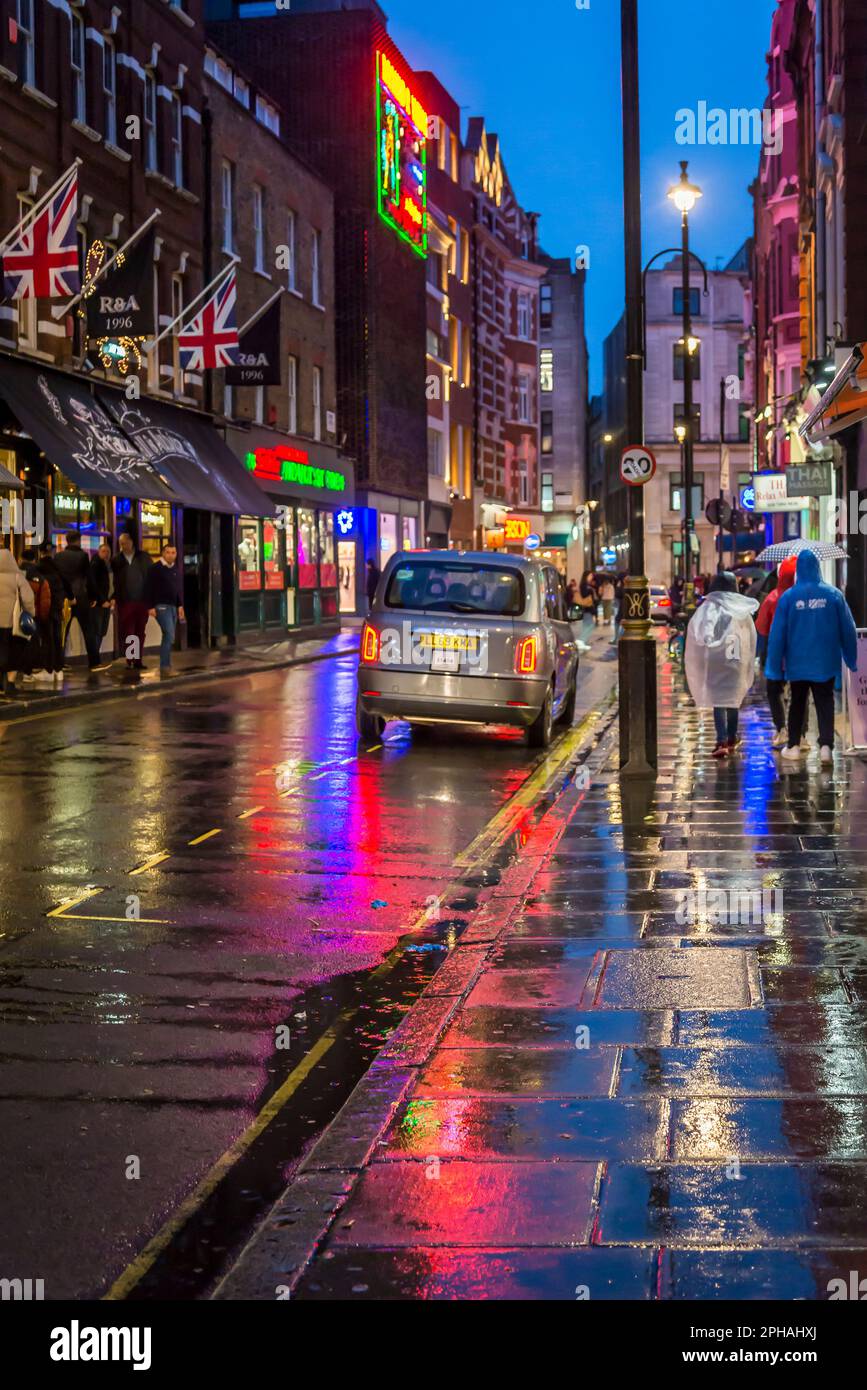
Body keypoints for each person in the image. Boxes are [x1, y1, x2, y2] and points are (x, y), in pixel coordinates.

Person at [766, 548, 858, 764]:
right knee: (825, 702)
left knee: (797, 702)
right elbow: (848, 629)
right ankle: (826, 746)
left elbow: (777, 635)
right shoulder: (834, 595)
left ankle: (794, 746)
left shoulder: (788, 598)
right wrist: (851, 658)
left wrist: (773, 667)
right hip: (825, 661)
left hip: (797, 663)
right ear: (817, 569)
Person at [685, 571, 759, 759]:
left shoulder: (709, 608)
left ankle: (721, 739)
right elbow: (750, 637)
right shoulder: (740, 609)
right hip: (736, 662)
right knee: (733, 701)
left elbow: (702, 632)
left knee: (719, 701)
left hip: (716, 662)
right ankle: (732, 737)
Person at [756, 557, 797, 749]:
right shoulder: (802, 597)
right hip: (800, 652)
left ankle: (782, 729)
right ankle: (801, 734)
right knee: (800, 692)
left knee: (774, 691)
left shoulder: (772, 597)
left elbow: (761, 628)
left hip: (777, 654)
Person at [54, 530, 108, 671]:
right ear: (78, 540)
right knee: (88, 631)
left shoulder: (58, 557)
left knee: (62, 632)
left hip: (65, 598)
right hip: (81, 598)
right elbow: (89, 579)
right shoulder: (83, 556)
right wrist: (94, 597)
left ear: (67, 540)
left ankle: (59, 662)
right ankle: (94, 663)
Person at [112, 531, 153, 669]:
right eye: (120, 544)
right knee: (129, 631)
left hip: (142, 601)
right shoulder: (117, 559)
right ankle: (130, 660)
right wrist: (115, 597)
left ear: (131, 542)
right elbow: (114, 581)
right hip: (125, 601)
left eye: (124, 543)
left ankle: (138, 660)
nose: (122, 546)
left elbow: (151, 577)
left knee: (140, 631)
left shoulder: (143, 557)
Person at [0, 546, 36, 696]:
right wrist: (31, 614)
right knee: (14, 651)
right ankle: (9, 683)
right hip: (13, 623)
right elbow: (28, 599)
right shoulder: (18, 577)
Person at [145, 541, 185, 673]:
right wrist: (150, 606)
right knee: (169, 634)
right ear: (163, 553)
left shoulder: (175, 568)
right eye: (168, 552)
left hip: (173, 605)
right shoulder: (155, 568)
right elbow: (148, 587)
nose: (171, 555)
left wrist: (180, 605)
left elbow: (177, 589)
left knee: (168, 635)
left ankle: (166, 664)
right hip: (161, 605)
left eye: (173, 553)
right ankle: (164, 665)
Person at [36, 542, 65, 681]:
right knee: (57, 638)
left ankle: (48, 670)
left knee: (46, 638)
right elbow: (66, 584)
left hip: (44, 607)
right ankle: (58, 669)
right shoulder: (58, 567)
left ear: (40, 552)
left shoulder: (38, 568)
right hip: (57, 607)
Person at [91, 541, 115, 656]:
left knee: (102, 631)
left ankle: (96, 656)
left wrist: (113, 598)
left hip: (108, 602)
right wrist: (102, 601)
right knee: (97, 630)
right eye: (103, 551)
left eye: (108, 552)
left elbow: (113, 584)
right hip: (99, 604)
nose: (106, 554)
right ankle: (95, 658)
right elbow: (93, 585)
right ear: (98, 552)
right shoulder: (95, 565)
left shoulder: (110, 565)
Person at [577, 570, 597, 649]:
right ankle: (581, 640)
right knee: (590, 625)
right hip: (587, 608)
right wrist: (590, 590)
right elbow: (585, 596)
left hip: (587, 609)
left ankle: (583, 641)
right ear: (586, 576)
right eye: (590, 575)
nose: (591, 577)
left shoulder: (586, 585)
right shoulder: (584, 585)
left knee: (587, 625)